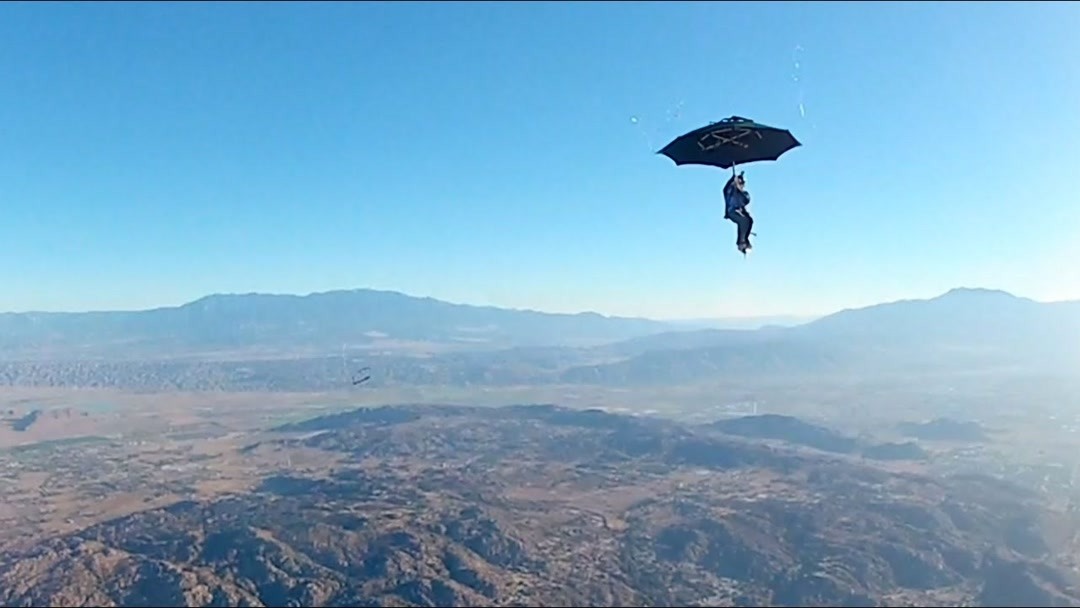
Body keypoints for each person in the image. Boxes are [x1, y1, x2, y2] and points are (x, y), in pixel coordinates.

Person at [723, 171, 753, 254]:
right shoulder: (730, 191)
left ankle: (744, 240)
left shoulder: (743, 194)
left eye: (742, 183)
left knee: (749, 220)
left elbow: (745, 200)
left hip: (738, 212)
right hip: (732, 212)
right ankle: (741, 242)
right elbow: (725, 190)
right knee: (743, 221)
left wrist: (738, 188)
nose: (741, 185)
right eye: (740, 183)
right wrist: (732, 180)